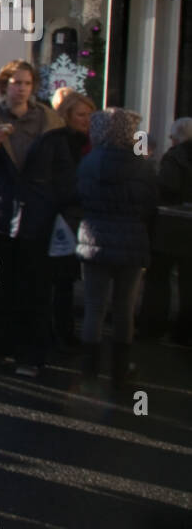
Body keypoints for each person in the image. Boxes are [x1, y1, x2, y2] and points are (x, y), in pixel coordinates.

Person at [0, 60, 64, 368]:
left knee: (35, 288)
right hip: (1, 215)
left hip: (37, 215)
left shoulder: (49, 121)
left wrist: (58, 208)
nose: (20, 89)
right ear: (3, 85)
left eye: (26, 83)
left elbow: (63, 169)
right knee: (1, 286)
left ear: (33, 87)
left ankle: (31, 355)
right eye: (15, 82)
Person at [76, 108, 159, 396]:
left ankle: (89, 372)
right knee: (124, 310)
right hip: (131, 241)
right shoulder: (141, 167)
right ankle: (120, 373)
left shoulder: (88, 162)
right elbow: (151, 204)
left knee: (94, 308)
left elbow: (78, 198)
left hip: (94, 239)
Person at [20, 89, 95, 362]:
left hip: (76, 220)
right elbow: (45, 181)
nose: (87, 120)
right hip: (56, 221)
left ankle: (61, 332)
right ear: (67, 115)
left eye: (90, 115)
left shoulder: (89, 144)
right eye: (81, 115)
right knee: (55, 280)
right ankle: (51, 334)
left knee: (65, 280)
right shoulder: (55, 142)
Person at [138, 117, 192, 345]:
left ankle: (152, 328)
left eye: (172, 137)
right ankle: (184, 331)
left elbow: (166, 189)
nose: (170, 141)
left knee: (158, 279)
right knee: (189, 282)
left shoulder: (176, 156)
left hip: (171, 228)